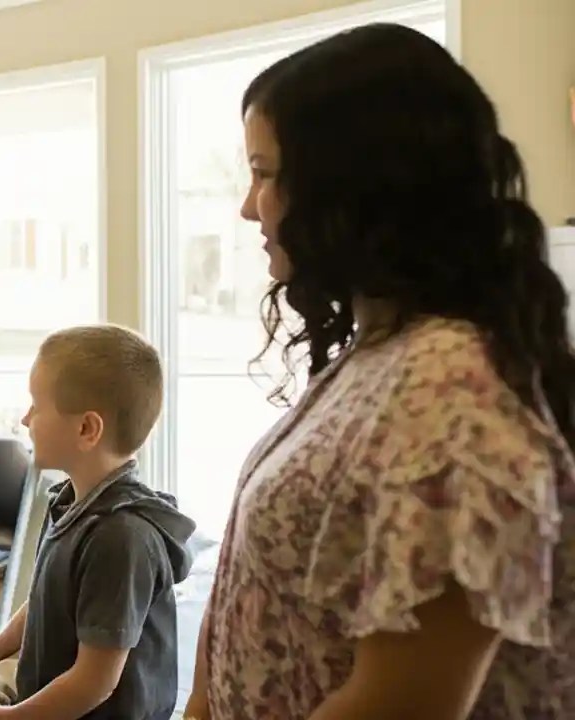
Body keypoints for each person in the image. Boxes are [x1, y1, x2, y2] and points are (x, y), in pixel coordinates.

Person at [183, 23, 575, 720]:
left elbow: (399, 708)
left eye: (265, 173)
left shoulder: (453, 398)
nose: (249, 207)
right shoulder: (381, 357)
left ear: (354, 186)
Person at [0, 324, 196, 720]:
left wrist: (8, 718)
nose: (24, 418)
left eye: (36, 405)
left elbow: (94, 682)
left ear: (87, 429)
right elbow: (47, 598)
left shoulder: (120, 538)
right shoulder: (72, 504)